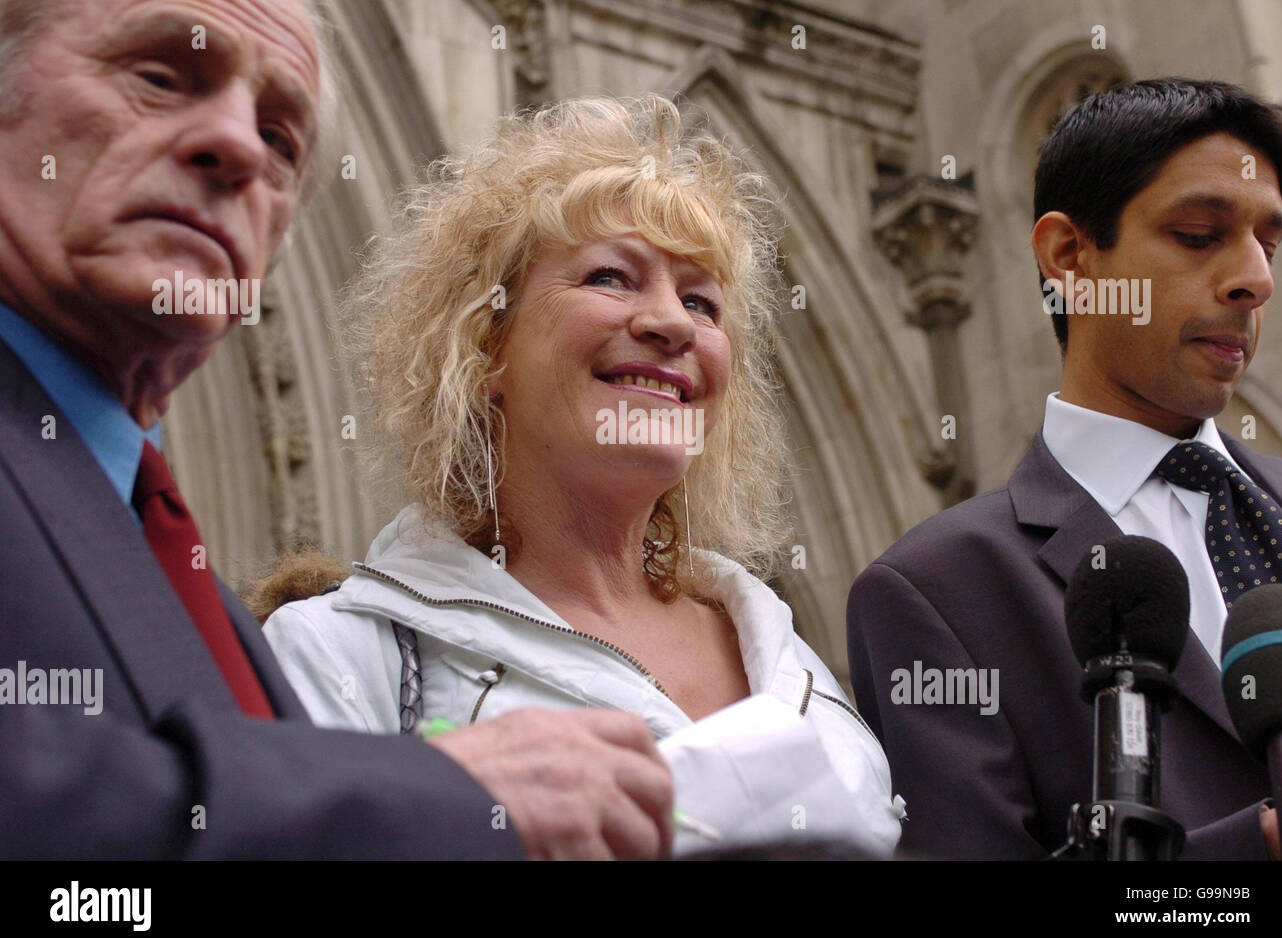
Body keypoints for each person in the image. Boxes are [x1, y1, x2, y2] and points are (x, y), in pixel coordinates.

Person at [0, 0, 676, 861]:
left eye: (282, 139)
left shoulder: (176, 563)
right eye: (159, 77)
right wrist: (441, 797)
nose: (241, 148)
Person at [261, 94, 904, 857]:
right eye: (611, 277)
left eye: (701, 299)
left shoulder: (788, 655)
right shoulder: (339, 655)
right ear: (485, 347)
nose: (671, 322)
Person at [848, 78, 1282, 860]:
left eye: (1269, 242)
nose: (1254, 278)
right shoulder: (938, 593)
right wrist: (1259, 847)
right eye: (1199, 233)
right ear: (1070, 256)